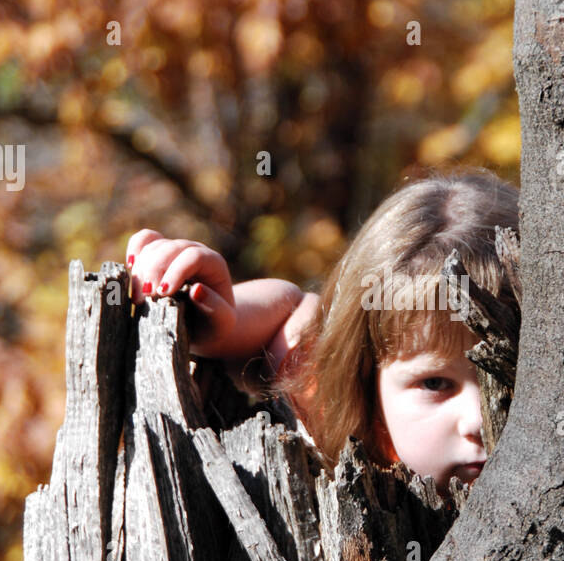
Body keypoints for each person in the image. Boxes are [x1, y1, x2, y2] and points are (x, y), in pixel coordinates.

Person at [125, 168, 519, 496]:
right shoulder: (352, 415)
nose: (478, 420)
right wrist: (220, 321)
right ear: (365, 376)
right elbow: (294, 310)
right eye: (435, 382)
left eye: (512, 380)